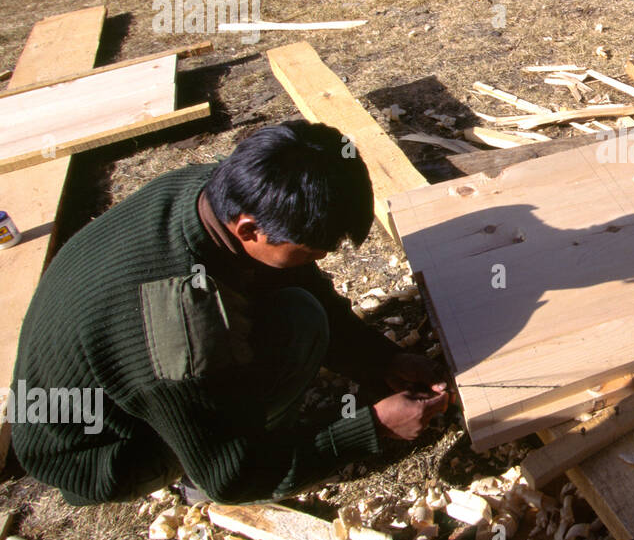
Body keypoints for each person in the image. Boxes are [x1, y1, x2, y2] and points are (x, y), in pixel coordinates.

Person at [11, 121, 450, 506]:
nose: (314, 262)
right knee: (302, 325)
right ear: (247, 229)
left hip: (113, 386)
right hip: (102, 454)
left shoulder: (219, 189)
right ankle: (188, 476)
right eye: (306, 253)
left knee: (298, 299)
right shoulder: (183, 328)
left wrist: (381, 358)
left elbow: (296, 279)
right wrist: (371, 427)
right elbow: (233, 476)